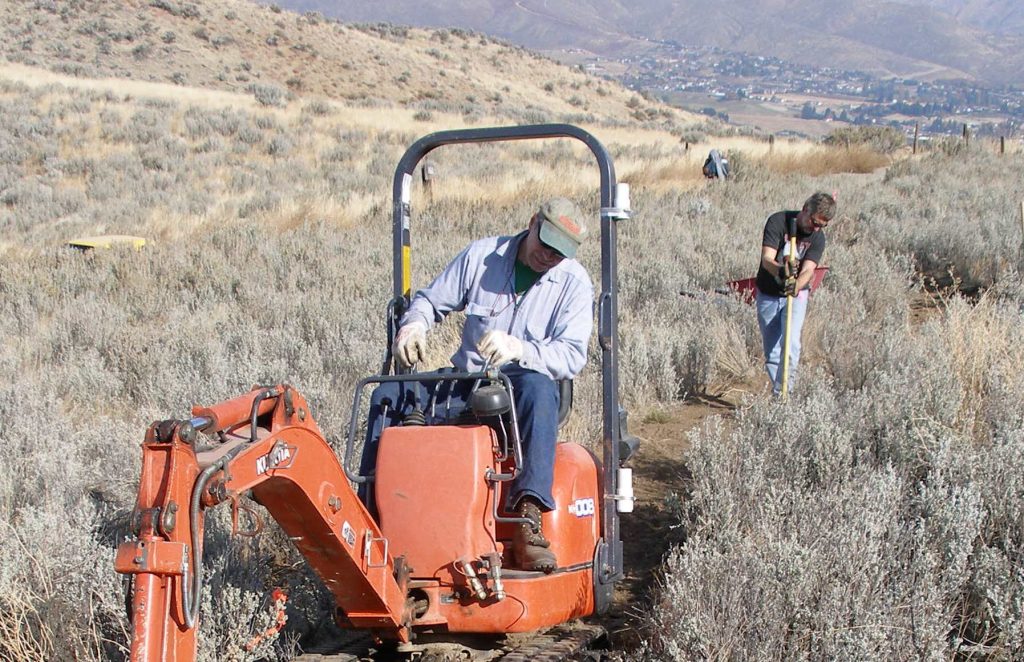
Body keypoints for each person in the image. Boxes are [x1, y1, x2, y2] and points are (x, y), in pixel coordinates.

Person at [361, 197, 593, 573]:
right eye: (545, 245)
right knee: (389, 393)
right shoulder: (483, 257)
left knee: (538, 389)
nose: (548, 257)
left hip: (521, 385)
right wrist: (414, 325)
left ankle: (527, 521)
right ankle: (369, 518)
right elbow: (430, 301)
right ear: (532, 223)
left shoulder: (574, 285)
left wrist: (520, 349)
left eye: (559, 253)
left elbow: (571, 355)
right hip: (468, 378)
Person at [754, 192, 835, 396]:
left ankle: (785, 394)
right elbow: (767, 259)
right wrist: (780, 271)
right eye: (814, 222)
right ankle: (778, 393)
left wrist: (797, 285)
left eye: (821, 226)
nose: (815, 229)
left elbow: (809, 270)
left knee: (791, 346)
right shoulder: (777, 221)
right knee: (772, 351)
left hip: (796, 296)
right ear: (805, 208)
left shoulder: (818, 238)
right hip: (769, 293)